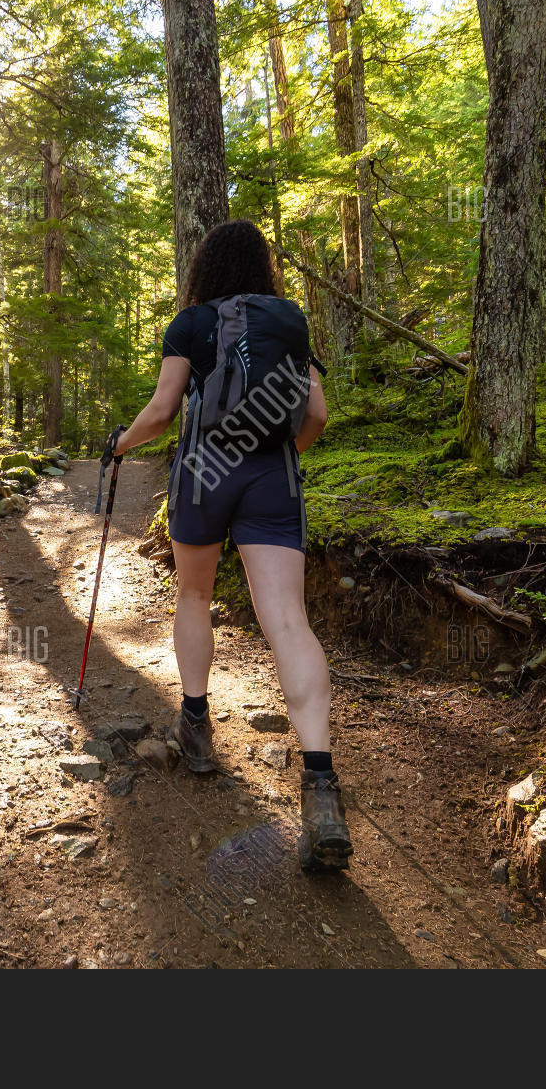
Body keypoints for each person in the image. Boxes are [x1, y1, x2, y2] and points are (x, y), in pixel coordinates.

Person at [105, 219, 353, 873]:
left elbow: (162, 413)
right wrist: (275, 459)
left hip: (202, 471)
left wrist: (118, 446)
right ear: (263, 269)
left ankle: (195, 726)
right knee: (289, 621)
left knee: (193, 593)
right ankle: (322, 790)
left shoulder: (190, 322)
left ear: (205, 269)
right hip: (271, 471)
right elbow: (317, 414)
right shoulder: (290, 321)